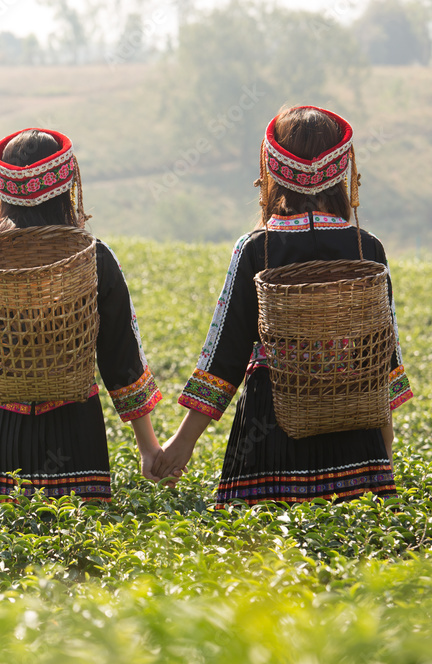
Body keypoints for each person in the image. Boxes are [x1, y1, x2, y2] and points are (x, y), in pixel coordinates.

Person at [152, 106, 414, 505]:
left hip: (270, 429)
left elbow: (226, 353)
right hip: (355, 433)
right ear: (341, 169)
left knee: (263, 538)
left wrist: (182, 442)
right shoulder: (367, 248)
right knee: (354, 537)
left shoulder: (258, 248)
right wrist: (385, 441)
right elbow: (381, 353)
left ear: (273, 169)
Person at [0, 128, 163, 503]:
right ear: (67, 186)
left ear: (2, 193)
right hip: (74, 433)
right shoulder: (94, 257)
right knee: (76, 534)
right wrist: (148, 449)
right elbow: (122, 357)